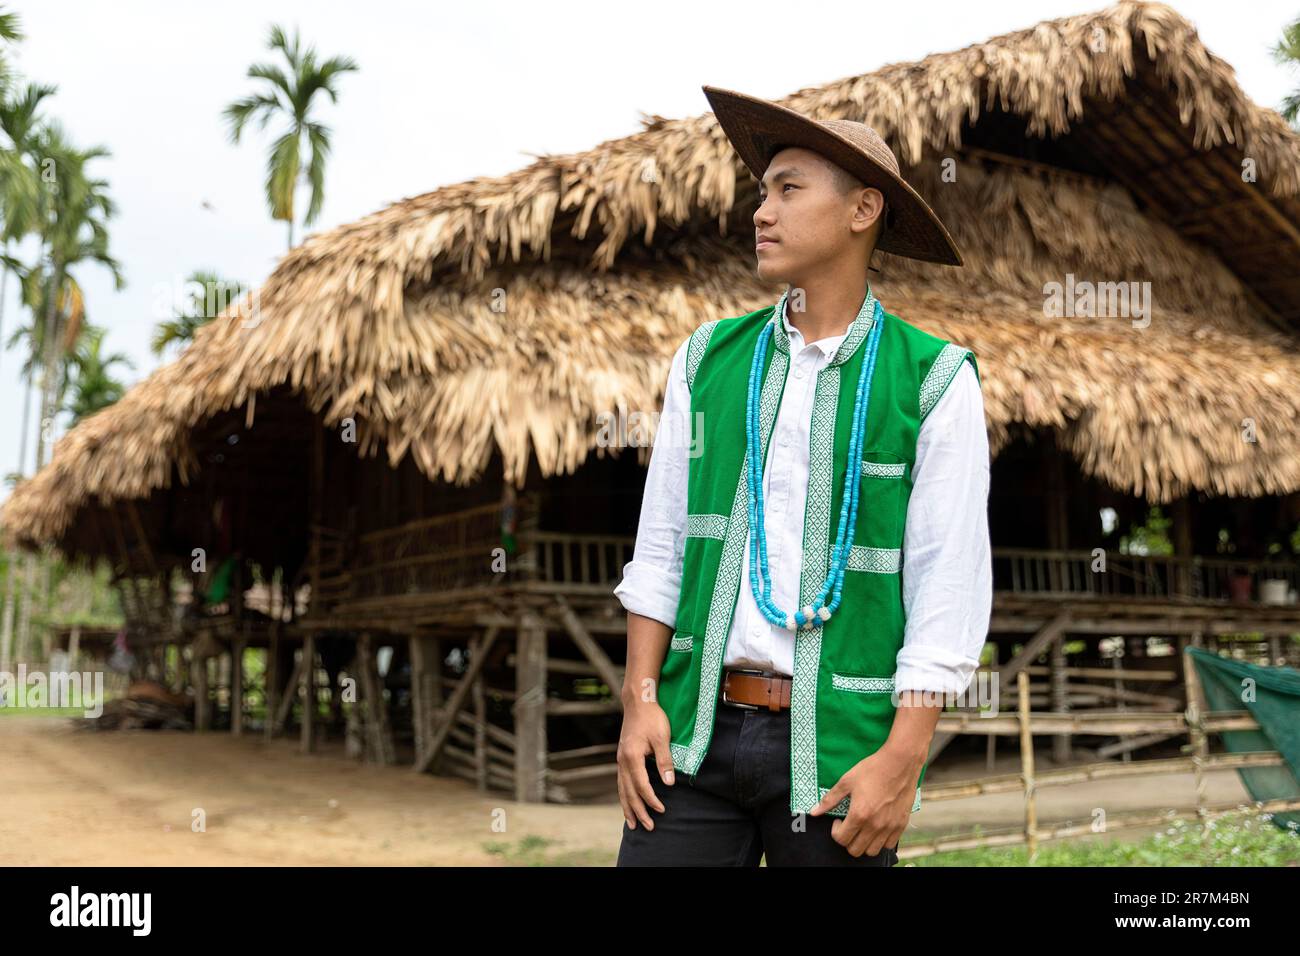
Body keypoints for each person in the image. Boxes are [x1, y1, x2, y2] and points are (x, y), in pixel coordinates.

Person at [612, 86, 992, 866]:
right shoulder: (706, 361)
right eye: (763, 192)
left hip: (839, 762)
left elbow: (945, 586)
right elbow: (661, 550)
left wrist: (904, 758)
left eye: (789, 190)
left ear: (862, 212)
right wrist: (638, 702)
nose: (763, 211)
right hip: (689, 745)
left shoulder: (934, 380)